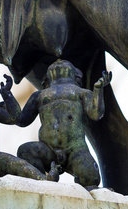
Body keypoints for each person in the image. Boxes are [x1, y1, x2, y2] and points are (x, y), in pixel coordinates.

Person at [15, 60, 110, 189]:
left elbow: (96, 113)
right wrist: (8, 98)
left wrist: (98, 90)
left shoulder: (81, 92)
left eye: (65, 64)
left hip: (75, 150)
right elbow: (21, 120)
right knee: (25, 151)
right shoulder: (39, 95)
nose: (59, 63)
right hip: (48, 150)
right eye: (54, 65)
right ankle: (42, 180)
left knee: (91, 176)